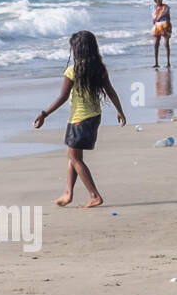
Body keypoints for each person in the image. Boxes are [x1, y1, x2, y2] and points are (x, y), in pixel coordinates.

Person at [33, 30, 126, 209]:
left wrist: (44, 114)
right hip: (94, 117)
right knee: (73, 156)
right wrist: (120, 111)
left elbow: (62, 97)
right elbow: (111, 91)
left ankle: (94, 195)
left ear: (76, 49)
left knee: (75, 158)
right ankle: (68, 193)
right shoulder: (99, 69)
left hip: (79, 119)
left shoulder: (72, 71)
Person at [151, 0, 172, 68]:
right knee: (156, 44)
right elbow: (153, 17)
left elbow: (169, 17)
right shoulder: (152, 8)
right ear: (155, 1)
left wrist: (168, 28)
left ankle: (168, 62)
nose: (160, 0)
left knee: (166, 44)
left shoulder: (165, 7)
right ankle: (156, 63)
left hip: (165, 25)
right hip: (157, 26)